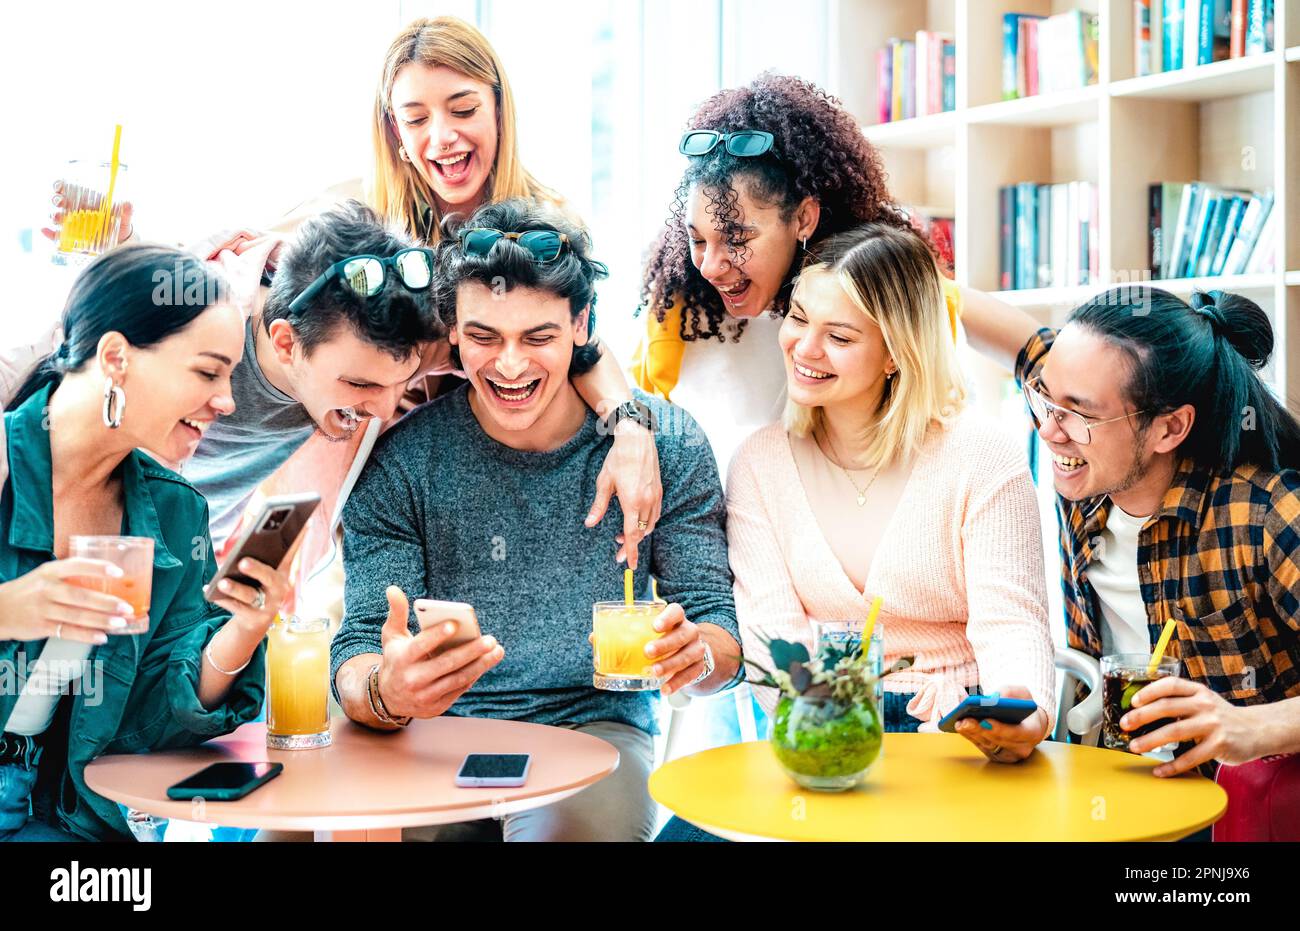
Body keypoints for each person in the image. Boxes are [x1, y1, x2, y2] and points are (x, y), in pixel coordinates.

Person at [330, 199, 743, 841]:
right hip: (439, 734)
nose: (512, 366)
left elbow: (720, 630)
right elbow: (356, 653)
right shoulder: (401, 463)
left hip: (594, 727)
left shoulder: (668, 446)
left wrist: (697, 657)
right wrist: (388, 691)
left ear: (581, 326)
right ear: (454, 333)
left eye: (539, 338)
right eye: (485, 337)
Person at [0, 245, 285, 841]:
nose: (227, 400)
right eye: (208, 372)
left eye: (230, 374)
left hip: (53, 810)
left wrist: (242, 632)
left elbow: (151, 719)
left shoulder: (174, 513)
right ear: (115, 358)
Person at [961, 285, 1300, 777]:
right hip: (1117, 789)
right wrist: (904, 278)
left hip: (1237, 816)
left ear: (1169, 429)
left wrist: (1252, 728)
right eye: (1044, 399)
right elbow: (1012, 337)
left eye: (1078, 414)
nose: (1050, 431)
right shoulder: (1090, 442)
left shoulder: (1268, 514)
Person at [634, 72, 964, 480]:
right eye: (697, 239)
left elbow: (936, 390)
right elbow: (633, 405)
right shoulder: (680, 304)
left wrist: (1037, 357)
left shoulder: (875, 292)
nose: (711, 265)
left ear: (804, 218)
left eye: (737, 238)